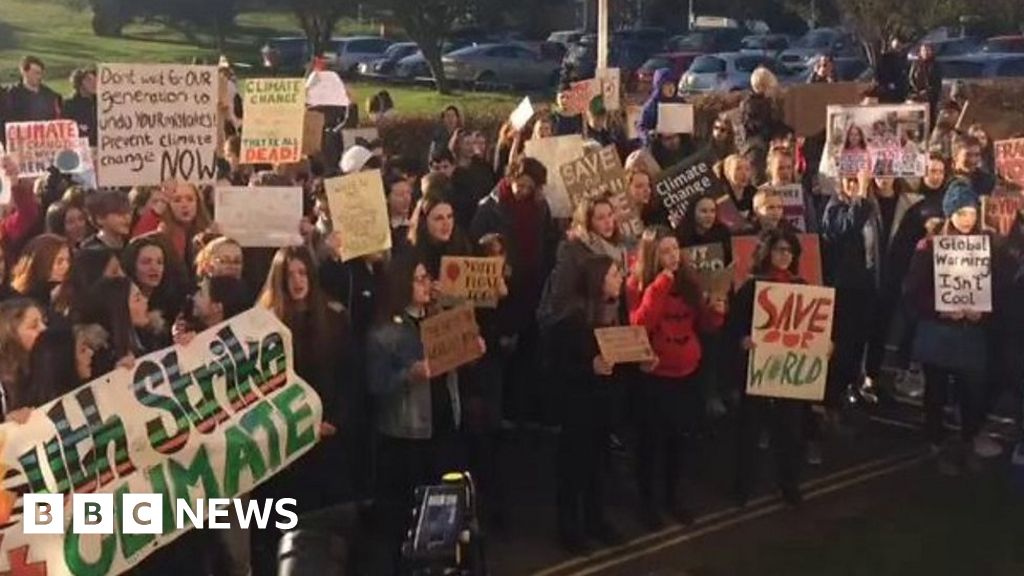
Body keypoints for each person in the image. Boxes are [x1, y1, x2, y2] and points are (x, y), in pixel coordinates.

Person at [366, 252, 474, 571]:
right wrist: (409, 374)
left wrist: (470, 350)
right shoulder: (385, 331)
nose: (427, 284)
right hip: (407, 435)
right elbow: (375, 384)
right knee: (407, 515)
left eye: (428, 277)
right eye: (419, 279)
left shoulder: (439, 318)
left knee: (443, 512)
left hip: (443, 425)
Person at [904, 180, 1002, 473]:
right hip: (937, 331)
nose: (968, 219)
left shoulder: (986, 245)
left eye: (971, 213)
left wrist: (983, 312)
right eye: (961, 213)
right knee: (936, 391)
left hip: (971, 332)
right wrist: (940, 310)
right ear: (950, 214)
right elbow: (912, 290)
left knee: (971, 391)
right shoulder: (928, 246)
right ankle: (935, 445)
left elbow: (995, 288)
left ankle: (968, 441)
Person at [630, 233, 726, 529]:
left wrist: (716, 313)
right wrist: (660, 285)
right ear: (652, 256)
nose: (673, 256)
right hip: (655, 378)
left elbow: (704, 324)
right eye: (665, 252)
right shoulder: (638, 285)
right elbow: (640, 324)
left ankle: (673, 498)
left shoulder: (689, 282)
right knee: (650, 444)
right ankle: (647, 504)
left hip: (686, 374)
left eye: (675, 249)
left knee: (679, 442)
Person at [727, 228, 811, 505]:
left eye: (790, 251)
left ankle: (789, 484)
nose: (785, 255)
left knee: (790, 430)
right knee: (750, 430)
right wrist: (742, 340)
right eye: (779, 250)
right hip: (758, 369)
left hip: (789, 371)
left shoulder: (802, 286)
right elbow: (734, 326)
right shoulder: (752, 287)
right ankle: (742, 486)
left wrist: (825, 343)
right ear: (767, 253)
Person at [471, 157, 558, 425]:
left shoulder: (541, 207)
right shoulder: (489, 209)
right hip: (501, 295)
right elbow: (476, 248)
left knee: (527, 355)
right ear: (510, 179)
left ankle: (522, 412)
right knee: (499, 358)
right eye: (521, 184)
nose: (524, 191)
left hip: (531, 291)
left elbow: (547, 242)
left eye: (530, 187)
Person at [551, 255, 627, 552]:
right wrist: (589, 367)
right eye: (614, 275)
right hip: (577, 406)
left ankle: (596, 520)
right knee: (574, 470)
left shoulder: (615, 312)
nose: (620, 279)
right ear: (598, 281)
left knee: (598, 467)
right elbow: (556, 368)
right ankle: (570, 530)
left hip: (603, 404)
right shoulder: (572, 321)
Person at [821, 173, 882, 412]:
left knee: (859, 342)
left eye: (858, 180)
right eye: (850, 180)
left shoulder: (870, 207)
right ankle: (834, 395)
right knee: (842, 344)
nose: (854, 185)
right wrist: (861, 196)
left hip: (865, 285)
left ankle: (852, 385)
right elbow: (846, 227)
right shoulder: (834, 207)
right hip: (843, 286)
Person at [537, 194, 628, 332]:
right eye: (600, 218)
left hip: (610, 328)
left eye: (610, 215)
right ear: (588, 222)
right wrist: (602, 294)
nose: (608, 222)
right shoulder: (573, 250)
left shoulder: (618, 250)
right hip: (579, 329)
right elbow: (562, 299)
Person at [131, 181, 211, 281]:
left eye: (190, 199)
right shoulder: (162, 231)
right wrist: (155, 213)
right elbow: (137, 245)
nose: (184, 205)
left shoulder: (208, 231)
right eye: (177, 200)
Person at [121, 234, 186, 333]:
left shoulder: (173, 304)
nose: (154, 268)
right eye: (146, 262)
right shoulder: (121, 302)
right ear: (132, 266)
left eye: (159, 262)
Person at [0, 298, 48, 422]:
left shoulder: (40, 366)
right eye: (34, 326)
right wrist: (6, 421)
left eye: (43, 322)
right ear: (11, 334)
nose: (43, 329)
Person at [10, 233, 72, 317]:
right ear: (41, 262)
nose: (67, 266)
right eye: (59, 262)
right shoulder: (19, 300)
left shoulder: (66, 290)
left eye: (68, 260)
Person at [450, 129, 497, 232]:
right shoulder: (452, 169)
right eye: (467, 143)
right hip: (462, 218)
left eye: (473, 143)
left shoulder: (482, 166)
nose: (471, 147)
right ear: (458, 145)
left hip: (483, 215)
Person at [3, 56, 61, 127]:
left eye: (41, 73)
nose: (39, 77)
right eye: (36, 73)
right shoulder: (11, 94)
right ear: (24, 72)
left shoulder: (49, 95)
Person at [638, 68, 683, 145]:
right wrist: (648, 134)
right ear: (659, 87)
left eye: (672, 84)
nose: (671, 88)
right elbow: (641, 127)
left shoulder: (680, 102)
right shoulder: (651, 106)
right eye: (667, 85)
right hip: (659, 143)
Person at [909, 44, 942, 127]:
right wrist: (917, 90)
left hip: (931, 96)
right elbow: (911, 78)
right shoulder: (916, 64)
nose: (926, 52)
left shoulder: (935, 65)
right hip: (918, 94)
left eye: (928, 50)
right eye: (924, 50)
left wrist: (929, 91)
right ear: (920, 52)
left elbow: (937, 82)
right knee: (919, 117)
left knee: (931, 117)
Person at [63, 67, 98, 146]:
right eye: (89, 80)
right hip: (79, 145)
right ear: (80, 83)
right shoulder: (69, 104)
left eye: (95, 80)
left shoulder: (102, 102)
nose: (94, 83)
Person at [875, 38, 909, 103]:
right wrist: (886, 84)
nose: (898, 49)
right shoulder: (885, 59)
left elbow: (904, 75)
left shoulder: (903, 58)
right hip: (887, 91)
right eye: (896, 46)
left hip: (899, 92)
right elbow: (879, 73)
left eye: (899, 46)